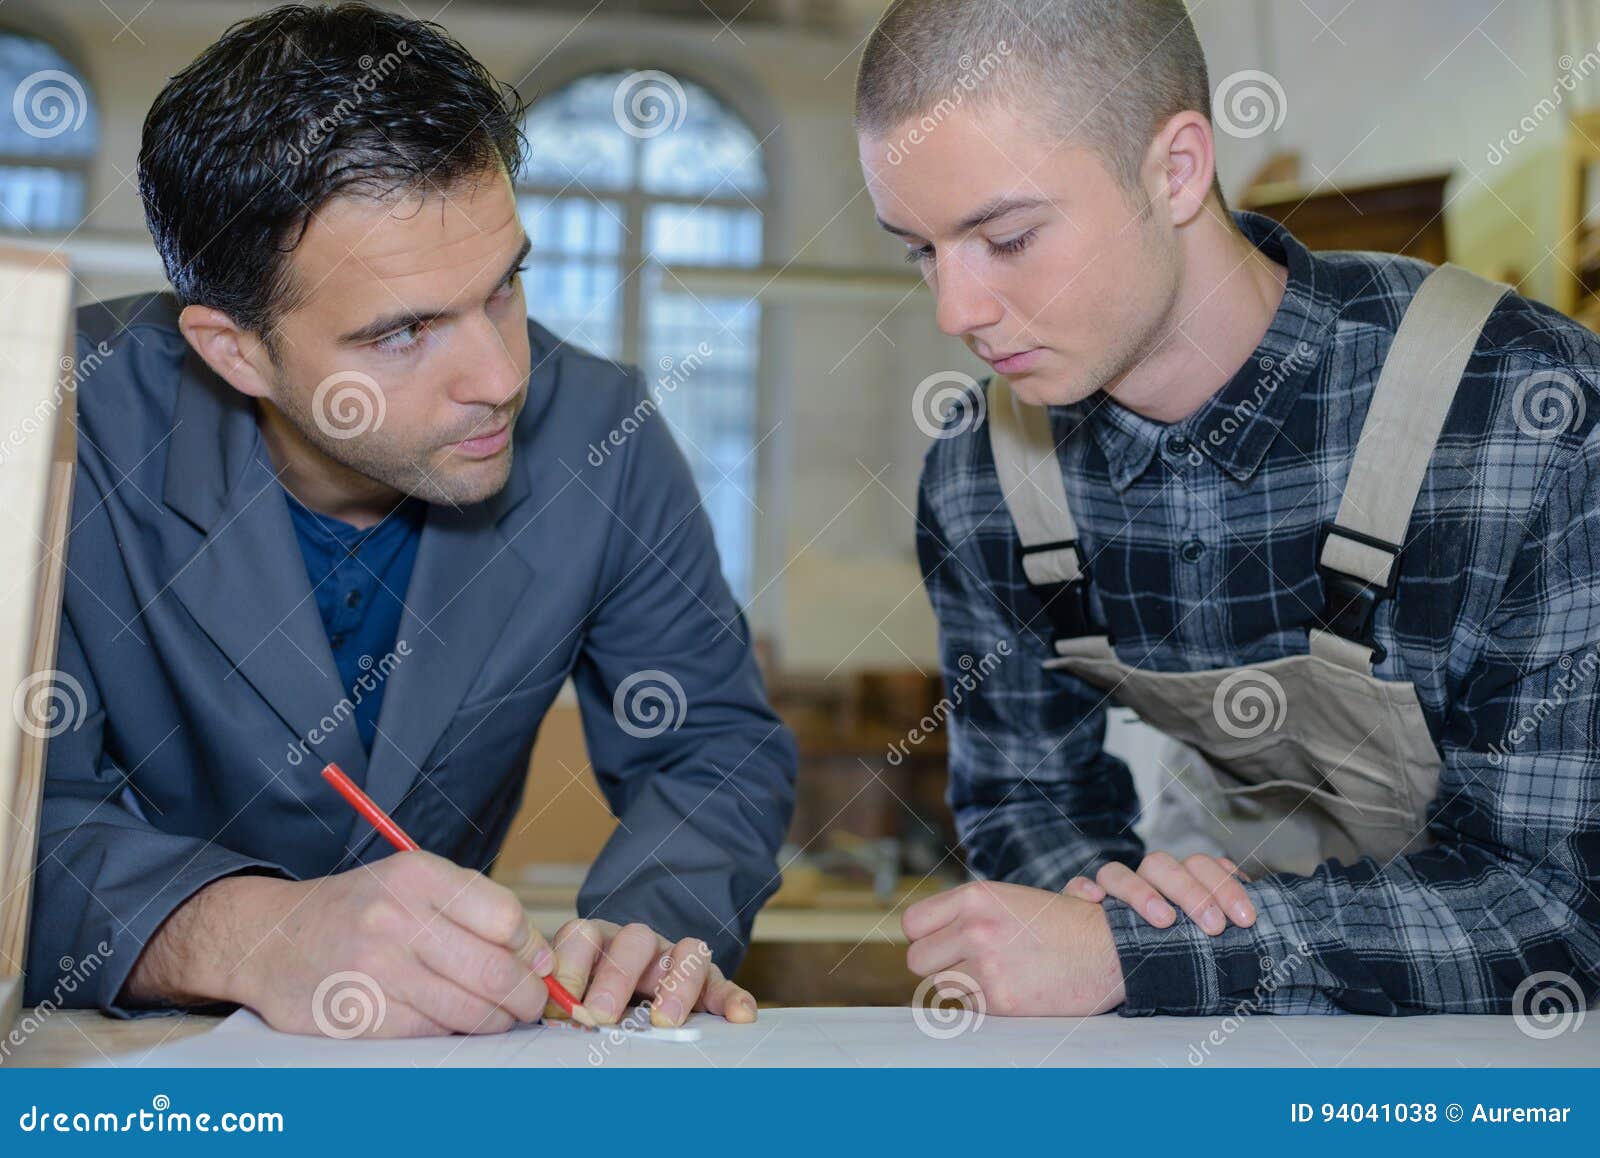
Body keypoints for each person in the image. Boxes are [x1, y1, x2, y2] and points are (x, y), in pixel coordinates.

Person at [27, 2, 795, 1037]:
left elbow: (711, 748)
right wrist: (247, 933)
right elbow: (19, 818)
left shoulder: (602, 434)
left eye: (506, 285)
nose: (501, 377)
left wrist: (654, 926)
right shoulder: (48, 424)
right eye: (403, 332)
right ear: (233, 351)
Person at [856, 0, 1600, 1015]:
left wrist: (1156, 952)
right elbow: (1030, 802)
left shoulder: (1526, 420)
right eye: (922, 251)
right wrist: (1104, 903)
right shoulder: (988, 478)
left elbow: (1564, 909)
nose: (956, 311)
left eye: (1009, 238)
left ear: (1175, 169)